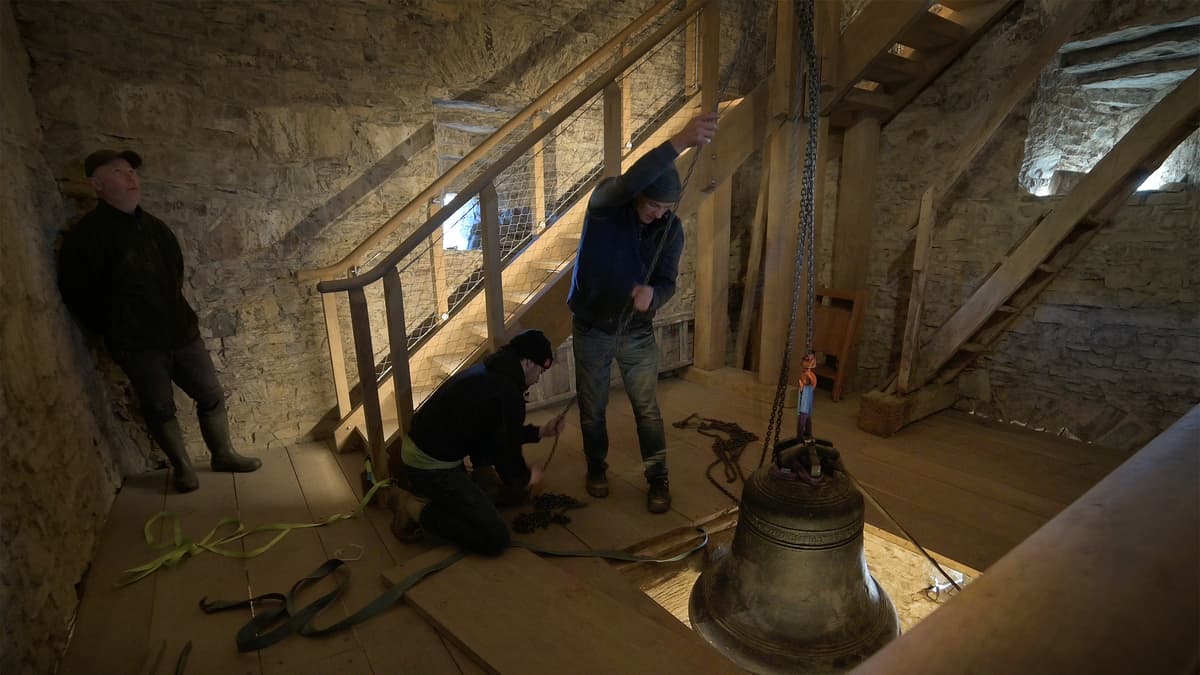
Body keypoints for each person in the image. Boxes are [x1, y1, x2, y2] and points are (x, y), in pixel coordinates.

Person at [58, 149, 261, 493]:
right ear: (97, 184)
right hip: (136, 344)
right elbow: (78, 292)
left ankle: (223, 454)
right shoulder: (86, 237)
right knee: (159, 406)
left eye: (132, 171)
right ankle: (183, 468)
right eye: (119, 172)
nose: (130, 177)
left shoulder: (155, 228)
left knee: (211, 393)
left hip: (180, 332)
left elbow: (174, 274)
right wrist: (114, 328)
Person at [567, 112, 718, 513]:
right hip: (592, 328)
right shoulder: (605, 208)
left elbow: (668, 280)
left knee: (647, 411)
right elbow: (630, 180)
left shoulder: (670, 229)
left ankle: (658, 477)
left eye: (666, 208)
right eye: (653, 205)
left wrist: (654, 294)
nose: (659, 214)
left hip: (636, 332)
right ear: (638, 195)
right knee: (592, 409)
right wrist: (680, 141)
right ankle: (596, 468)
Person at [389, 330, 566, 555]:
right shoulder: (508, 392)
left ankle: (465, 487)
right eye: (541, 370)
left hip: (427, 448)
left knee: (492, 492)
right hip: (430, 466)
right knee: (495, 538)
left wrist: (541, 431)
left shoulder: (492, 370)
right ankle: (415, 509)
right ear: (529, 362)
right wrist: (526, 477)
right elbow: (507, 451)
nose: (539, 378)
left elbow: (499, 432)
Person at [796, 351, 818, 440]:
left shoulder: (808, 375)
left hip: (805, 398)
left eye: (807, 360)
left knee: (802, 418)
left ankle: (800, 437)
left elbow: (807, 385)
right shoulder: (810, 375)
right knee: (807, 417)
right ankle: (808, 433)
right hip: (806, 397)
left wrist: (802, 385)